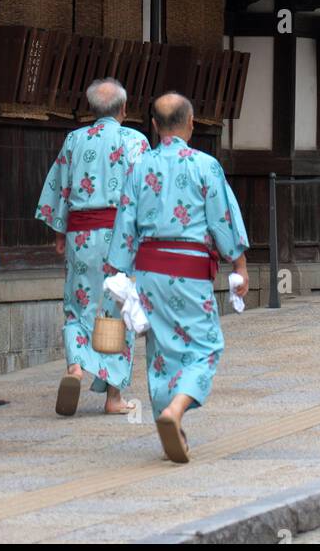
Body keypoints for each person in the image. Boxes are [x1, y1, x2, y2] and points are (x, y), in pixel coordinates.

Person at [107, 90, 249, 464]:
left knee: (160, 351)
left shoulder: (140, 166)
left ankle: (170, 420)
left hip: (149, 270)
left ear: (153, 127)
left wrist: (117, 272)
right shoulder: (205, 166)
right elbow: (223, 219)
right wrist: (239, 265)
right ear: (191, 124)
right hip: (189, 269)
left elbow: (126, 222)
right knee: (204, 346)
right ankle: (177, 409)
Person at [36, 77, 149, 417]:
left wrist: (61, 231)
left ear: (91, 109)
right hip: (121, 238)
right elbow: (145, 194)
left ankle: (75, 367)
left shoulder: (75, 140)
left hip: (81, 236)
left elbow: (60, 190)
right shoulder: (136, 141)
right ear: (124, 109)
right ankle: (113, 397)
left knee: (78, 305)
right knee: (117, 310)